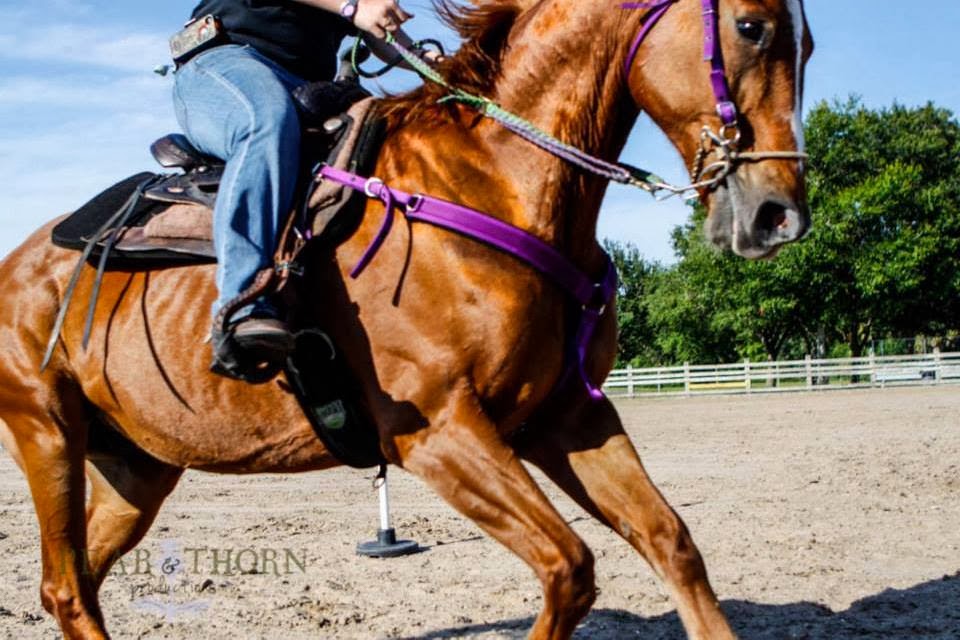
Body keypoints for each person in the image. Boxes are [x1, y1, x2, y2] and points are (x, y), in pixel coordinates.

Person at [172, 0, 425, 376]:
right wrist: (351, 8)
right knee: (265, 119)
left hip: (306, 86)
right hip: (223, 64)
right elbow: (358, 12)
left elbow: (383, 36)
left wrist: (432, 62)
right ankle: (241, 305)